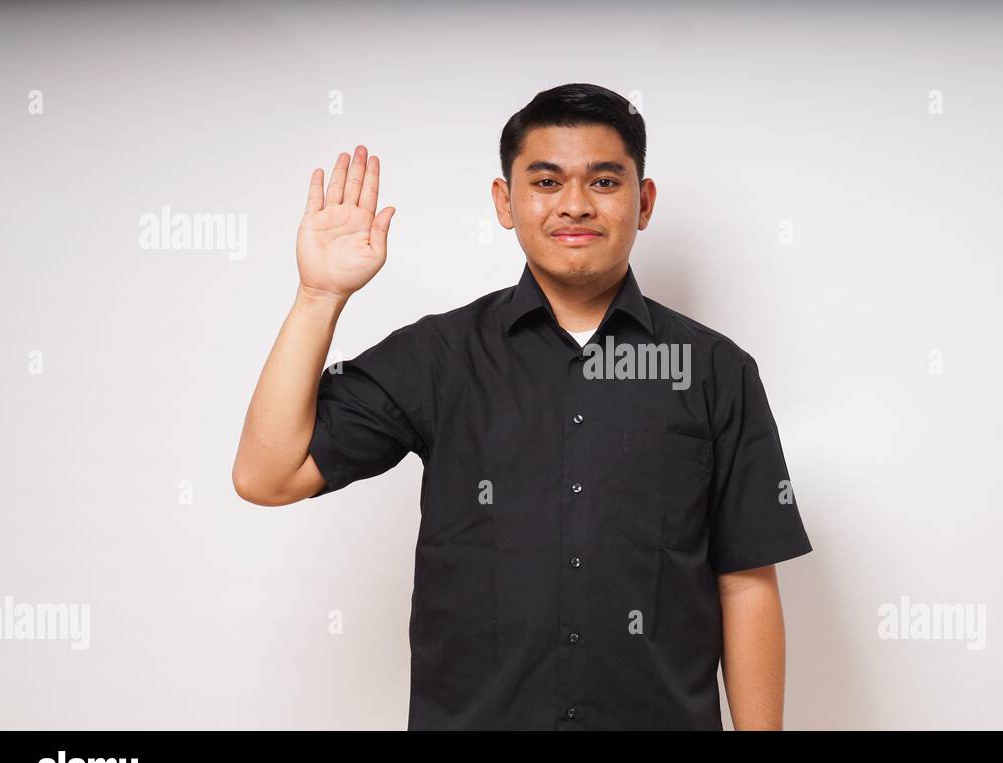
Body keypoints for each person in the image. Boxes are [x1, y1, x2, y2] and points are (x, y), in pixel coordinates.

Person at [232, 83, 814, 730]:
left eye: (603, 182)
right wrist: (318, 295)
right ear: (504, 202)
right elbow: (267, 473)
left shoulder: (715, 370)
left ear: (643, 202)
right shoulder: (439, 357)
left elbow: (745, 581)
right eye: (545, 181)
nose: (573, 205)